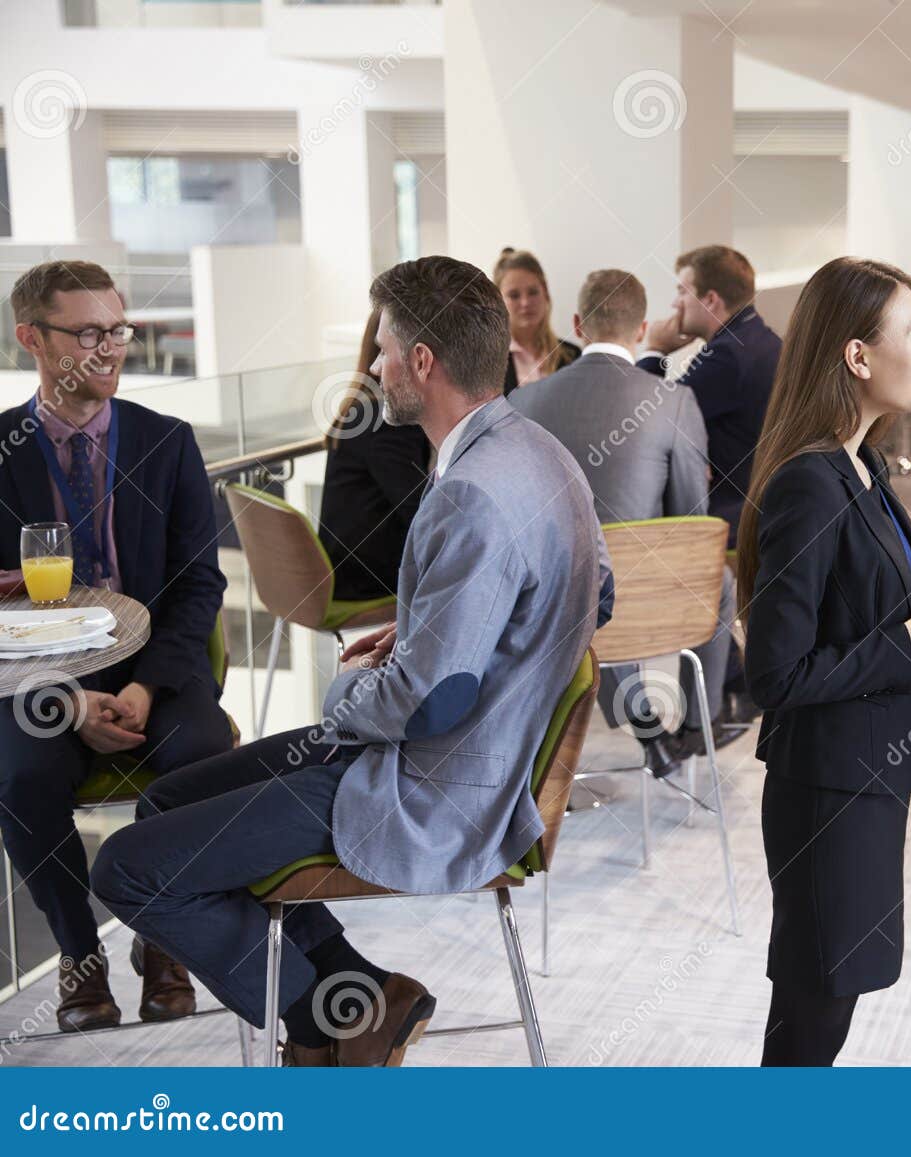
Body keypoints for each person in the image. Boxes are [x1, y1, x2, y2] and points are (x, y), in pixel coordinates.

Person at [92, 256, 610, 1066]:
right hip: (462, 751)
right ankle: (362, 993)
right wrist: (438, 628)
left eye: (385, 349)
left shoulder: (474, 489)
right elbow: (595, 597)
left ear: (424, 363)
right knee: (165, 803)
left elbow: (431, 702)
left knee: (126, 867)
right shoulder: (541, 451)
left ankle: (323, 1026)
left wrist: (347, 689)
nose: (374, 366)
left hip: (435, 779)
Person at [737, 256, 911, 1066]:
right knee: (815, 1002)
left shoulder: (862, 465)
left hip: (865, 773)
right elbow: (778, 677)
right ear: (857, 357)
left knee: (835, 987)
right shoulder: (809, 482)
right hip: (826, 785)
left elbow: (853, 599)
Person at [0, 260, 233, 1032]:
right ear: (31, 337)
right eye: (88, 333)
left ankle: (164, 935)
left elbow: (200, 584)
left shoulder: (168, 443)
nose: (109, 349)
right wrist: (67, 699)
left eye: (118, 330)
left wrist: (142, 688)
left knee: (201, 750)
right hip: (39, 678)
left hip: (155, 670)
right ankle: (80, 954)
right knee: (19, 771)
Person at [510, 268, 742, 766]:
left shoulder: (524, 401)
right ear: (640, 330)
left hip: (543, 605)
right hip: (639, 599)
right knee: (719, 581)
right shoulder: (673, 401)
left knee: (591, 572)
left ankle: (644, 724)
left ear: (577, 323)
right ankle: (700, 724)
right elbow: (692, 523)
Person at [639, 244, 781, 550]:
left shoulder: (728, 355)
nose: (675, 303)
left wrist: (653, 351)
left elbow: (646, 417)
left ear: (710, 299)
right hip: (764, 517)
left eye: (682, 291)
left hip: (729, 527)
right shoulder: (761, 339)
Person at [318, 308, 432, 600]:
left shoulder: (361, 407)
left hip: (342, 568)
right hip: (367, 578)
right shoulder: (386, 418)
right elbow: (420, 509)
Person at [495, 248, 580, 393]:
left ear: (545, 293)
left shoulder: (573, 355)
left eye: (533, 292)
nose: (525, 302)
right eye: (514, 295)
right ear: (499, 301)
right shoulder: (489, 362)